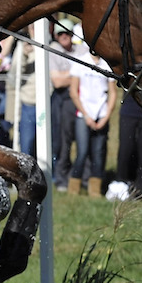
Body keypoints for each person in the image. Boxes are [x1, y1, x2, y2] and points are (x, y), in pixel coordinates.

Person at [65, 55, 115, 196]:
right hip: (83, 115)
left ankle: (95, 190)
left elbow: (112, 92)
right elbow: (73, 91)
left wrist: (106, 117)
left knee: (98, 154)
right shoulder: (81, 61)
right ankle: (73, 188)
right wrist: (86, 115)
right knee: (82, 152)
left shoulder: (106, 64)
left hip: (101, 115)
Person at [48, 23, 82, 191]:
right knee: (62, 140)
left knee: (83, 140)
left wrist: (67, 76)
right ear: (56, 36)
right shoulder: (53, 51)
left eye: (67, 33)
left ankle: (81, 176)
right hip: (62, 100)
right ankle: (61, 177)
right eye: (60, 33)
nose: (64, 36)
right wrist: (77, 75)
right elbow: (57, 82)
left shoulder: (81, 50)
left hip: (82, 99)